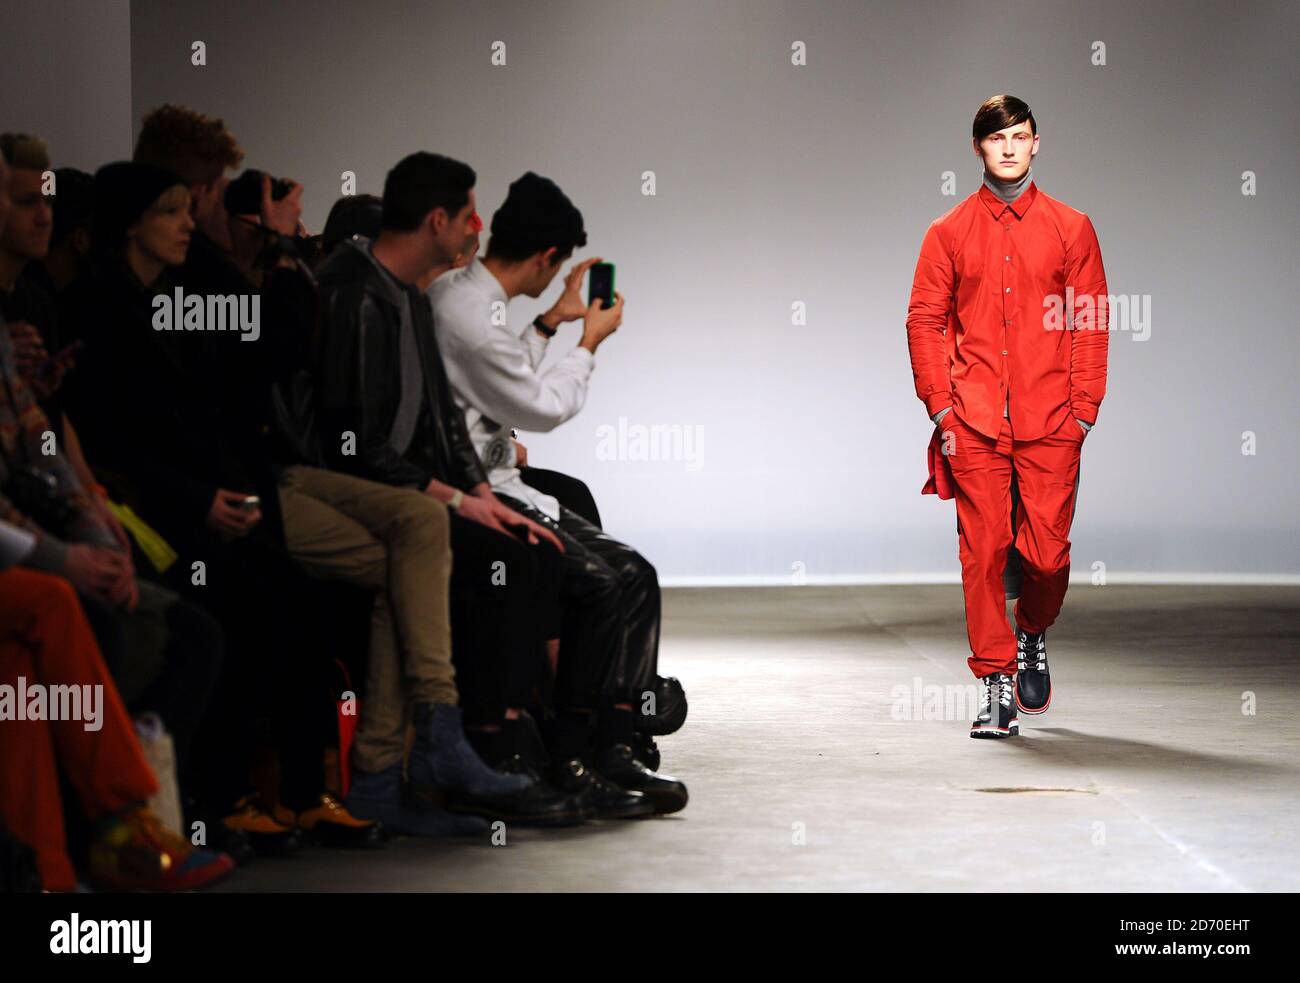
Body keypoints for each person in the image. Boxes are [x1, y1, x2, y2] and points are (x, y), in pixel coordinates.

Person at [313, 152, 584, 826]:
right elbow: (353, 443)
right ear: (439, 221)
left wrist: (479, 493)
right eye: (469, 214)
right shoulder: (355, 291)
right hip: (345, 488)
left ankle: (424, 762)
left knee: (520, 539)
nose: (478, 226)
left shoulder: (406, 290)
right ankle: (482, 740)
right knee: (479, 551)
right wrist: (461, 497)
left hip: (400, 487)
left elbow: (440, 419)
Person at [428, 171, 687, 814]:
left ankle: (610, 747)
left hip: (500, 478)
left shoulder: (464, 296)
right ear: (548, 257)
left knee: (632, 574)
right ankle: (579, 753)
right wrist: (588, 343)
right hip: (483, 487)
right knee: (607, 582)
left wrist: (548, 322)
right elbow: (540, 406)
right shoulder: (469, 310)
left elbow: (499, 375)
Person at [905, 94, 1109, 738]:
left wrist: (1084, 410)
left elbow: (1092, 319)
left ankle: (1033, 632)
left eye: (1020, 136)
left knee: (1047, 559)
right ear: (979, 149)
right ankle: (994, 682)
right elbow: (924, 320)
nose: (1010, 148)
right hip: (975, 422)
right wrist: (942, 407)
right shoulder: (948, 232)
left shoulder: (1072, 227)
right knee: (983, 554)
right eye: (998, 139)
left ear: (1037, 143)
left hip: (1053, 421)